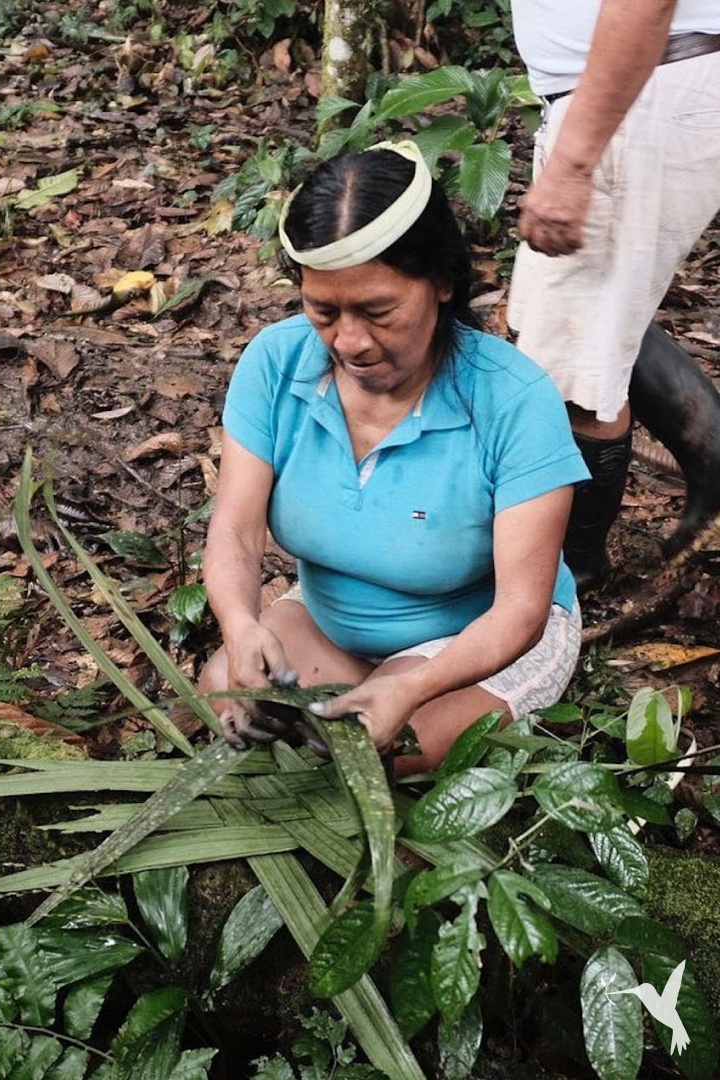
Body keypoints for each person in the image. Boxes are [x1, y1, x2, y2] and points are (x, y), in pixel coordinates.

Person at [197, 141, 590, 775]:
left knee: (373, 763)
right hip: (329, 620)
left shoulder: (512, 400)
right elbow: (237, 532)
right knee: (228, 697)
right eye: (322, 311)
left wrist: (412, 686)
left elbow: (520, 609)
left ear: (440, 283)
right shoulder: (277, 363)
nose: (349, 342)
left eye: (378, 312)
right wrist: (241, 626)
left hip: (474, 641)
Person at [507, 0, 720, 589]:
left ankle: (570, 576)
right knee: (586, 323)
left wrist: (576, 163)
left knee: (574, 375)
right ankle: (711, 452)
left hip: (636, 94)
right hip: (622, 93)